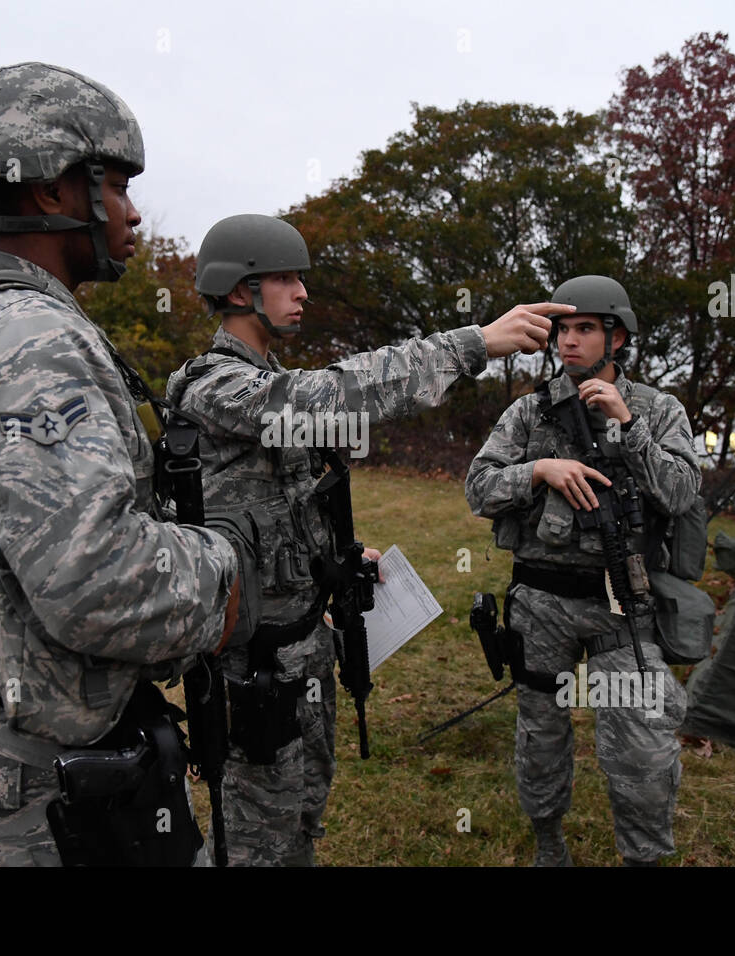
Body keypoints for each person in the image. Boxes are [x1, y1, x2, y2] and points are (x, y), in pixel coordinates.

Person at [0, 62, 239, 867]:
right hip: (40, 777)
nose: (133, 212)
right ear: (54, 192)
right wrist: (225, 571)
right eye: (114, 186)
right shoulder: (29, 338)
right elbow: (92, 577)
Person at [164, 213, 564, 865]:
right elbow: (340, 393)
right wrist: (473, 343)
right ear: (240, 291)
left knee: (301, 818)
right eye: (286, 279)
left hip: (303, 646)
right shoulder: (219, 387)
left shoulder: (266, 381)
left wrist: (335, 560)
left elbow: (280, 503)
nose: (302, 293)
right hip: (253, 666)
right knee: (252, 841)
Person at [465, 274, 700, 866]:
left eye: (586, 329)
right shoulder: (530, 411)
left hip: (620, 604)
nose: (570, 341)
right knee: (541, 734)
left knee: (642, 747)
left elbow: (679, 492)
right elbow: (478, 487)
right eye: (563, 329)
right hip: (540, 604)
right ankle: (549, 843)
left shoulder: (656, 409)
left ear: (616, 338)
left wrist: (630, 428)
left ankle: (642, 856)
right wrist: (538, 470)